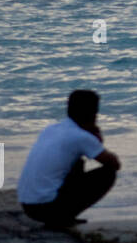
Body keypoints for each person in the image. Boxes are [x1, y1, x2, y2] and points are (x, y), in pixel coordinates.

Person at [17, 89, 120, 228]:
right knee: (108, 174)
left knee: (77, 162)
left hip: (27, 206)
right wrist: (95, 132)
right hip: (46, 208)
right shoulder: (81, 137)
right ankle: (64, 217)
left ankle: (64, 216)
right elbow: (114, 163)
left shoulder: (51, 129)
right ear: (94, 112)